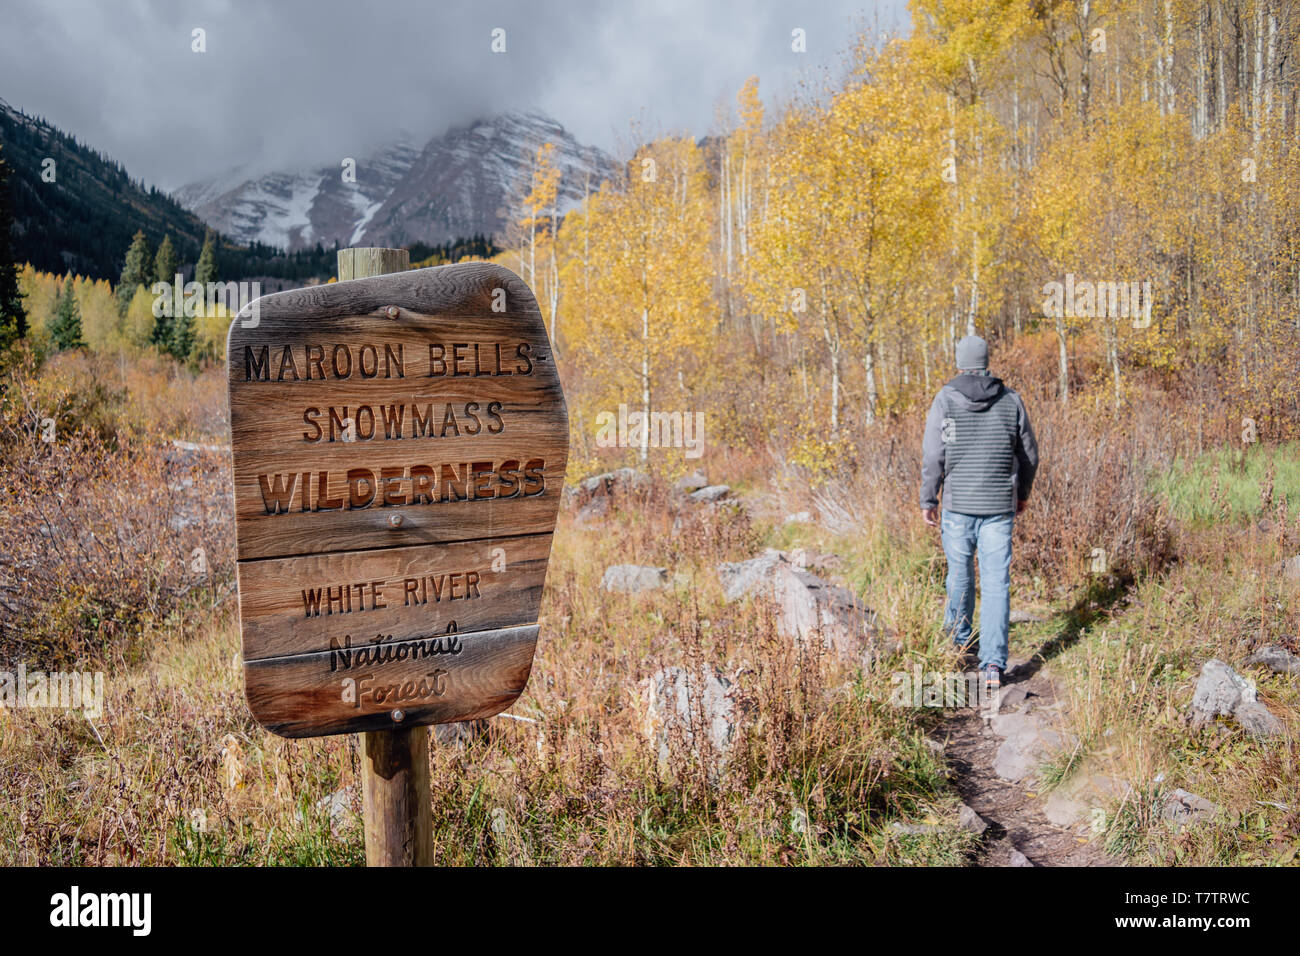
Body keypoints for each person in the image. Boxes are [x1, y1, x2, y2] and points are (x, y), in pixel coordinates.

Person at [919, 334, 1039, 693]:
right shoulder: (1010, 399)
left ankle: (957, 645)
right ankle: (992, 665)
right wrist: (1022, 494)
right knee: (996, 581)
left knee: (959, 574)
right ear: (987, 360)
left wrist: (929, 499)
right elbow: (1030, 454)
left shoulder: (946, 399)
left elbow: (933, 455)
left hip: (957, 505)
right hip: (999, 506)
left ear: (959, 361)